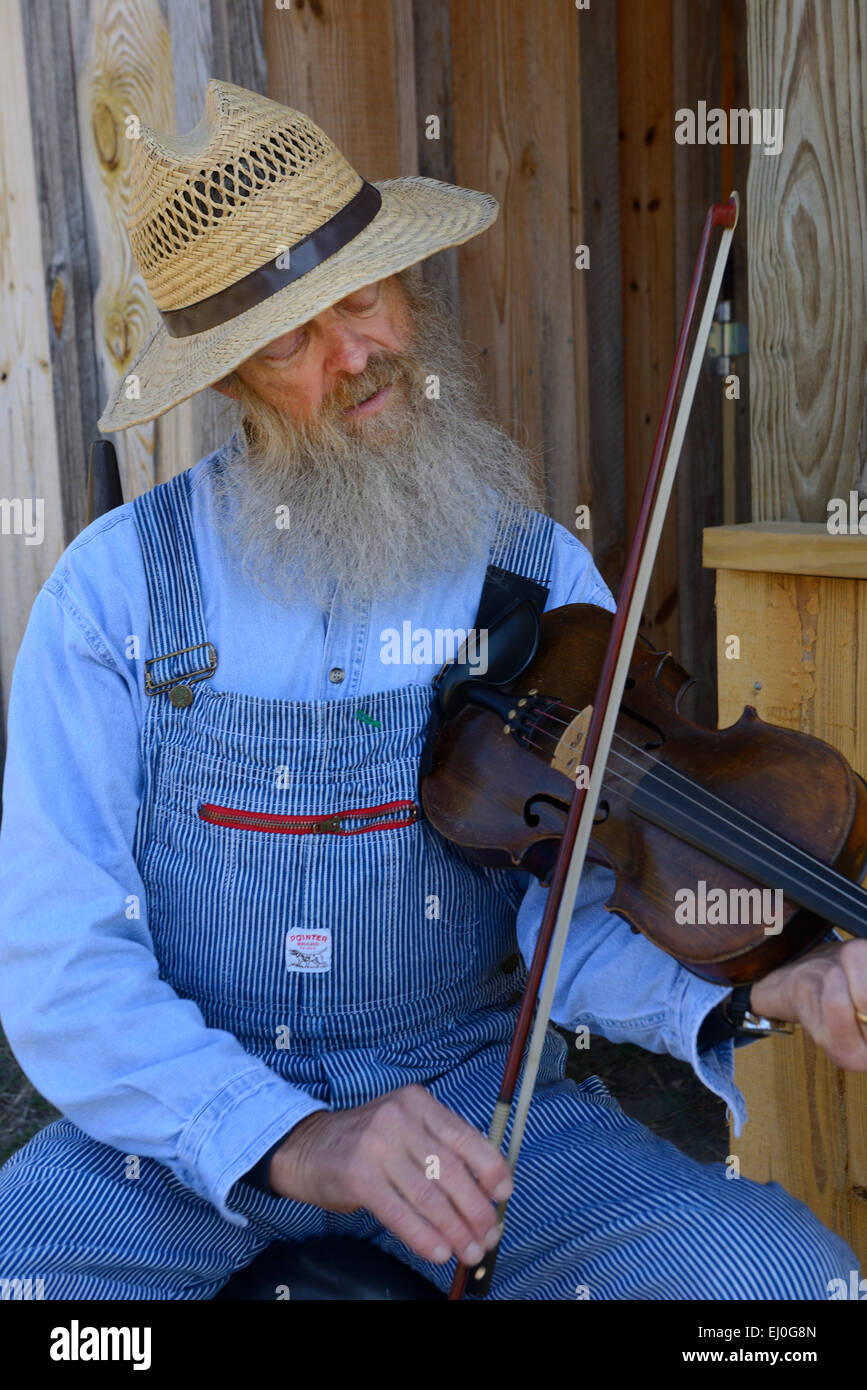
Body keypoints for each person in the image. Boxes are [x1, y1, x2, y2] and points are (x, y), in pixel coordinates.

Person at [0, 80, 863, 1301]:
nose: (357, 354)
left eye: (362, 295)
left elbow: (586, 906)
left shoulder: (536, 579)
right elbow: (58, 966)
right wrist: (293, 1136)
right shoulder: (113, 600)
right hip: (178, 1137)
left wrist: (777, 970)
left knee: (782, 1302)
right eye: (293, 339)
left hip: (483, 1115)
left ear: (407, 287)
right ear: (229, 380)